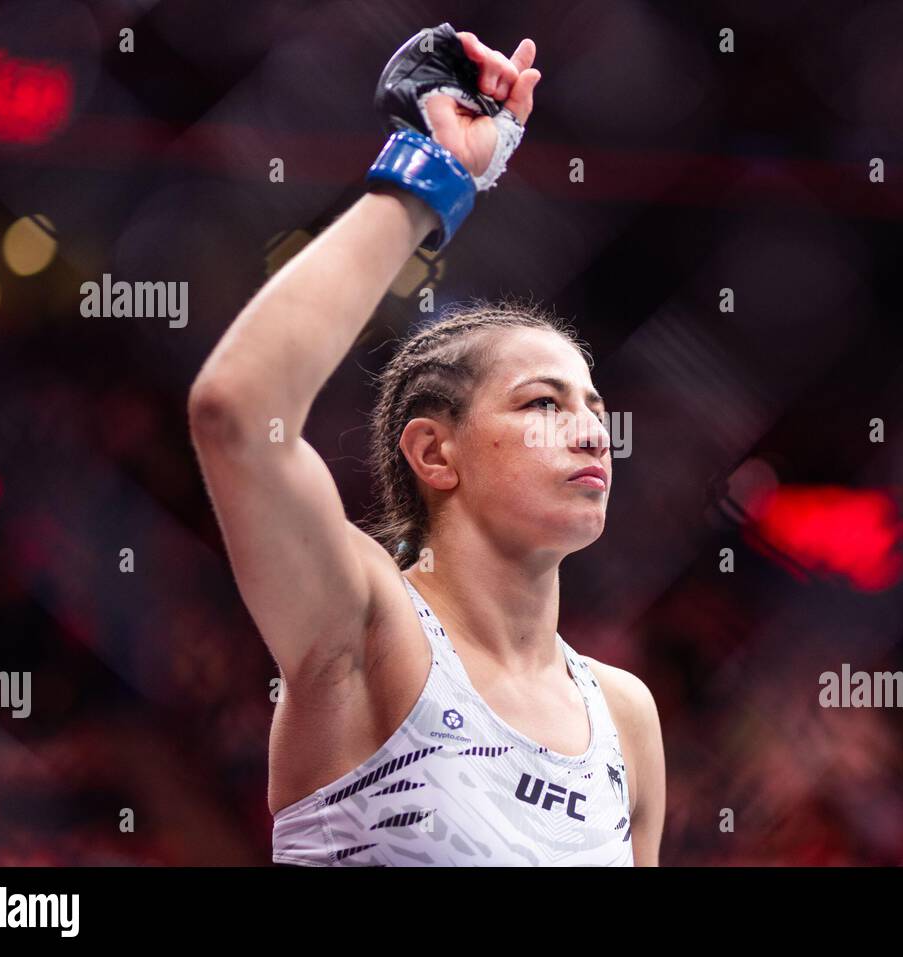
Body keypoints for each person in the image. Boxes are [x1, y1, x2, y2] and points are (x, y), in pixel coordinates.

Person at [188, 24, 665, 866]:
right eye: (542, 402)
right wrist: (431, 175)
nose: (592, 428)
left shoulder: (625, 715)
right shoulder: (370, 625)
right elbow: (237, 411)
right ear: (434, 454)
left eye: (593, 402)